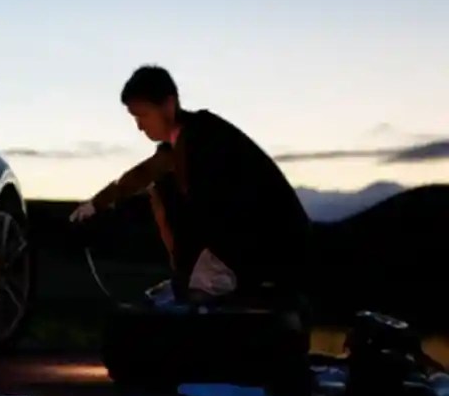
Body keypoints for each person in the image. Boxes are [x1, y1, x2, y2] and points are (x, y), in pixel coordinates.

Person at [69, 65, 311, 306]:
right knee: (160, 189)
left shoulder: (205, 138)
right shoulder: (179, 144)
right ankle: (194, 283)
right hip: (249, 240)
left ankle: (206, 289)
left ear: (168, 105)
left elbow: (216, 208)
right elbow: (142, 174)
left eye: (143, 115)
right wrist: (96, 204)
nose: (140, 126)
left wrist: (198, 278)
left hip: (269, 242)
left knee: (167, 194)